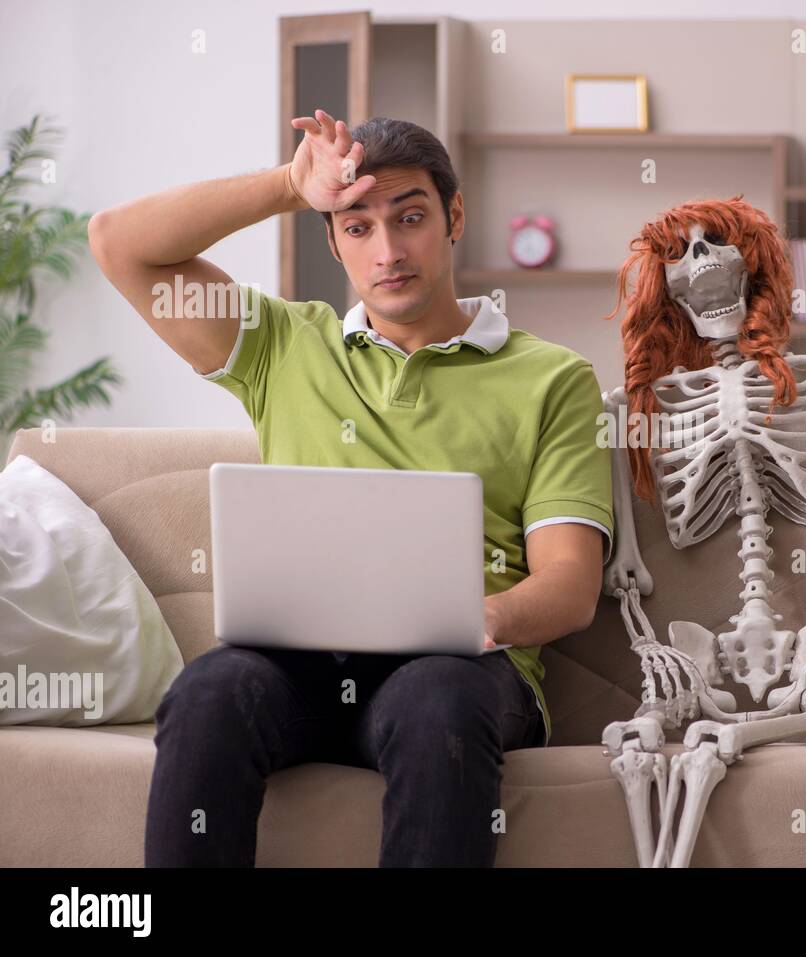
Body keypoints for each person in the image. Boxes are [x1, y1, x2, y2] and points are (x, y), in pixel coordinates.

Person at [88, 110, 614, 867]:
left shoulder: (554, 378)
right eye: (357, 226)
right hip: (296, 666)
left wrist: (472, 617)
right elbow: (118, 244)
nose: (389, 250)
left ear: (453, 216)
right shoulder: (281, 345)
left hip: (459, 670)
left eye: (410, 217)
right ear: (331, 239)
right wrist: (288, 185)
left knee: (436, 699)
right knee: (210, 690)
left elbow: (568, 584)